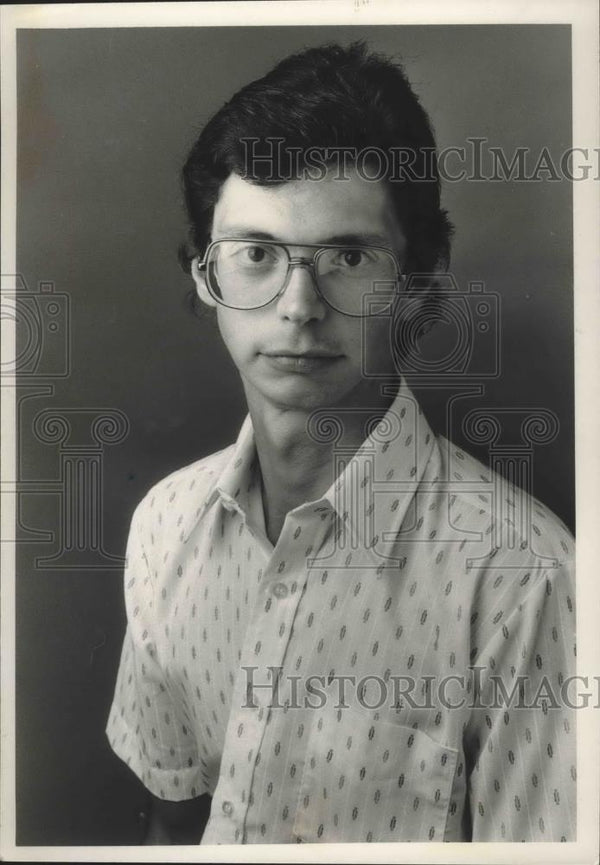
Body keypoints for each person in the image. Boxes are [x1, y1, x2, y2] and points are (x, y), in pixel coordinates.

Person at [106, 42, 576, 844]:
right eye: (256, 254)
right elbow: (174, 812)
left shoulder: (525, 579)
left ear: (418, 283)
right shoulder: (164, 523)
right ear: (204, 276)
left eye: (348, 257)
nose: (298, 306)